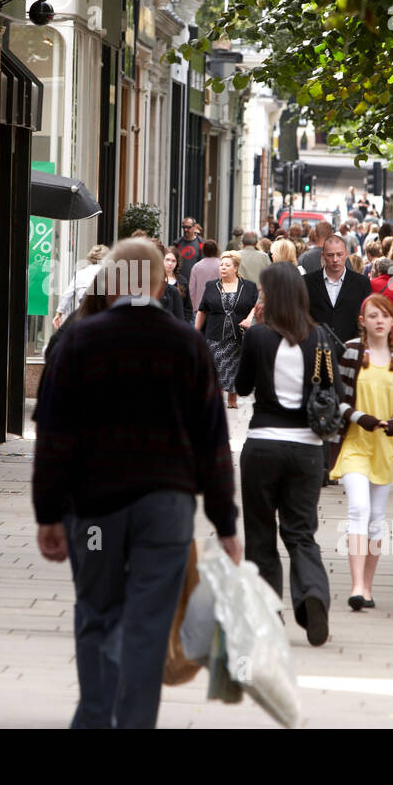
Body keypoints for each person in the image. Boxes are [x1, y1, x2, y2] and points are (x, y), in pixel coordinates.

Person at [32, 238, 241, 728]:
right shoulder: (187, 344)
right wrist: (225, 523)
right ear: (156, 281)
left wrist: (48, 512)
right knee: (149, 626)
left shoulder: (79, 341)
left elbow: (54, 435)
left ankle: (94, 717)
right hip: (165, 505)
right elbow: (213, 441)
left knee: (98, 613)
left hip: (95, 507)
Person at [234, 263, 342, 645]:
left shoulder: (259, 337)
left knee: (261, 532)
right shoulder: (320, 338)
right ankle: (312, 594)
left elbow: (241, 385)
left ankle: (266, 610)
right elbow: (335, 394)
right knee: (301, 533)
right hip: (308, 449)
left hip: (263, 443)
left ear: (271, 297)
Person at [328, 294, 393, 609]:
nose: (379, 321)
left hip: (385, 447)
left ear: (392, 321)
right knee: (358, 510)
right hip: (354, 444)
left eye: (385, 316)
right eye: (373, 315)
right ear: (363, 321)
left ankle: (369, 587)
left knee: (376, 519)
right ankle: (356, 585)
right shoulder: (351, 351)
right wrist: (359, 418)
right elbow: (340, 399)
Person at [196, 251, 259, 410]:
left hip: (239, 335)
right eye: (221, 265)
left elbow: (255, 306)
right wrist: (195, 332)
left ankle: (232, 400)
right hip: (216, 334)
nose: (223, 268)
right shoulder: (212, 286)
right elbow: (203, 310)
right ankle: (215, 399)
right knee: (215, 366)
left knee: (235, 366)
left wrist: (250, 318)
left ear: (236, 268)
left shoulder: (249, 286)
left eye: (227, 265)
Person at [305, 234, 373, 344]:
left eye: (339, 254)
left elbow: (367, 318)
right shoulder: (307, 282)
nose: (335, 259)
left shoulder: (362, 283)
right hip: (316, 349)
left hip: (351, 350)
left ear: (346, 254)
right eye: (330, 255)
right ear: (323, 255)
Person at [54, 244, 109, 328]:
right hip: (103, 316)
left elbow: (67, 295)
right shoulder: (108, 272)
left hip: (82, 316)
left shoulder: (80, 274)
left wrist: (59, 314)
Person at [188, 239, 222, 313]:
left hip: (200, 306)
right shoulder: (221, 266)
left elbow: (192, 289)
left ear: (203, 250)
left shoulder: (196, 267)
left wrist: (194, 307)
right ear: (216, 250)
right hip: (218, 306)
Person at [161, 245, 189, 322]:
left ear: (177, 262)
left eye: (173, 261)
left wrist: (184, 323)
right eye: (167, 260)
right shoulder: (157, 280)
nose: (170, 263)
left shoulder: (182, 281)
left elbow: (187, 306)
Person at [174, 217, 203, 281]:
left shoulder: (201, 243)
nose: (185, 229)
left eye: (188, 227)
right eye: (184, 227)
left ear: (194, 227)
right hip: (180, 281)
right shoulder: (177, 243)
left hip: (196, 280)